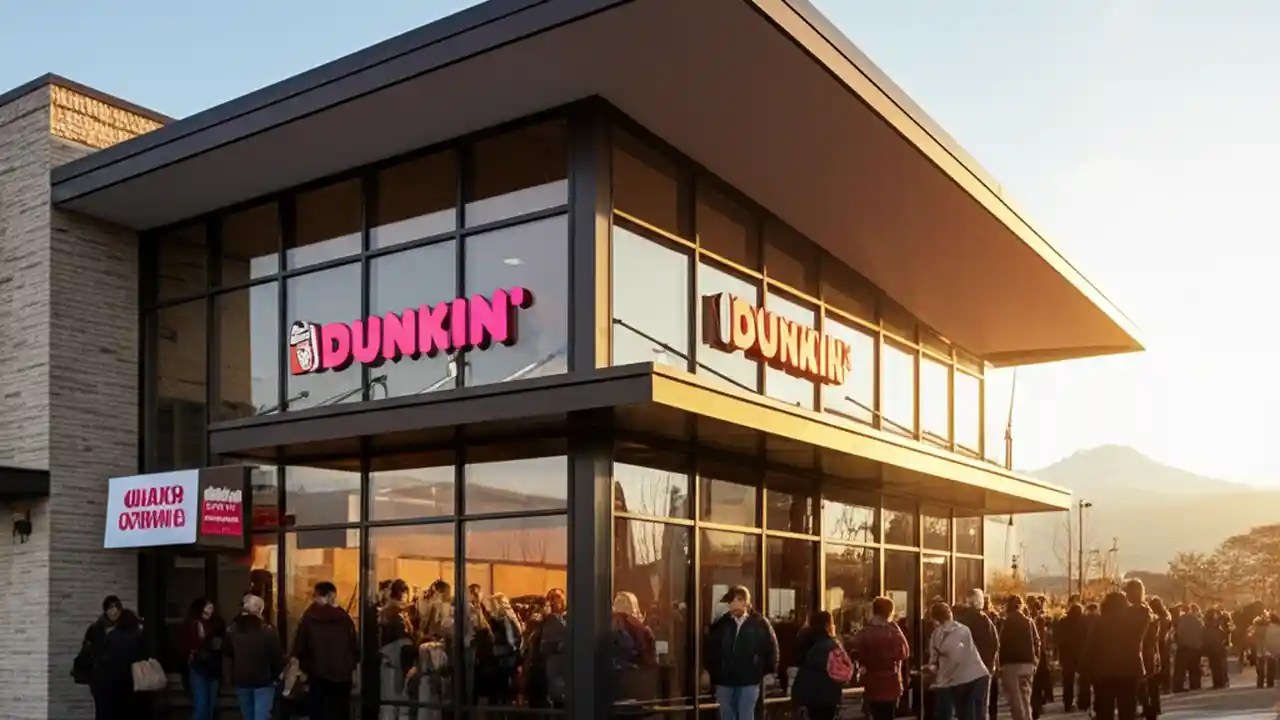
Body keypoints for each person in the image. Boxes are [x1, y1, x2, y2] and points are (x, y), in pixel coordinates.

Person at [704, 586, 777, 720]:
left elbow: (771, 648)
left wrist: (767, 672)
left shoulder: (759, 624)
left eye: (735, 600)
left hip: (749, 679)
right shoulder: (722, 624)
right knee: (726, 714)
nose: (731, 605)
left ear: (745, 602)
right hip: (724, 680)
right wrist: (710, 671)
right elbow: (712, 649)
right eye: (730, 602)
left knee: (745, 714)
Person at [293, 581, 360, 720]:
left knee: (318, 712)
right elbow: (354, 647)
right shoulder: (344, 619)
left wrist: (306, 668)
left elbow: (299, 647)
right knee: (339, 712)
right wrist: (351, 666)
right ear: (332, 596)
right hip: (342, 675)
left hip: (317, 674)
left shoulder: (308, 619)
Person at [1081, 590, 1146, 720]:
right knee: (1127, 711)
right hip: (1128, 671)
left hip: (1104, 672)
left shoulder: (1100, 623)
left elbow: (1091, 647)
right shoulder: (1133, 622)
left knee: (1104, 712)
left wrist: (1084, 670)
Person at [80, 595, 145, 720]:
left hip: (122, 680)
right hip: (104, 680)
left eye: (116, 607)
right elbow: (88, 651)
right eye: (110, 608)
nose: (114, 611)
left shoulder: (129, 628)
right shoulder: (97, 628)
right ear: (105, 610)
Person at [926, 602, 991, 720]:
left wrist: (941, 680)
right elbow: (934, 656)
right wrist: (932, 666)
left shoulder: (962, 631)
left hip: (974, 678)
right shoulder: (937, 634)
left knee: (971, 715)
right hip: (958, 680)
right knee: (963, 714)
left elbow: (956, 657)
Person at [226, 594, 285, 720]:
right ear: (259, 610)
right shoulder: (267, 630)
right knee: (261, 716)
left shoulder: (233, 630)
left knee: (248, 716)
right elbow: (276, 657)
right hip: (263, 679)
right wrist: (276, 676)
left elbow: (228, 652)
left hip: (241, 678)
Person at [852, 596, 910, 720]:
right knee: (888, 714)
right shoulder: (893, 632)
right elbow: (904, 652)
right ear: (890, 612)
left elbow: (855, 651)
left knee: (875, 713)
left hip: (871, 681)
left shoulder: (864, 633)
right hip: (891, 681)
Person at [790, 610, 849, 720]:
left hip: (805, 691)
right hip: (827, 694)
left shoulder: (804, 641)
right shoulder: (832, 645)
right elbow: (844, 671)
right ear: (828, 625)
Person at [953, 589, 999, 717]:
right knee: (979, 707)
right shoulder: (984, 620)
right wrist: (990, 666)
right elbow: (994, 643)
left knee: (963, 707)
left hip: (962, 670)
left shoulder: (958, 620)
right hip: (981, 669)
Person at [177, 597, 223, 720]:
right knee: (201, 706)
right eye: (208, 607)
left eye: (212, 607)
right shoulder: (190, 624)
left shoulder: (216, 624)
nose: (211, 610)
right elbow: (184, 646)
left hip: (213, 668)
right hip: (198, 668)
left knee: (210, 707)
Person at [998, 595, 1040, 720]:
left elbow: (1001, 643)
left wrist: (999, 664)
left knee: (1015, 701)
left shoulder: (1006, 623)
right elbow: (1037, 642)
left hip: (1011, 664)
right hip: (1028, 664)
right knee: (1025, 697)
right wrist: (1035, 661)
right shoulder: (1029, 621)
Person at [1124, 580, 1160, 720]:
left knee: (1138, 684)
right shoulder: (1148, 611)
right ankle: (1150, 708)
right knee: (1146, 684)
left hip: (1138, 652)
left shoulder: (1133, 612)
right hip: (1148, 652)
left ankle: (1146, 708)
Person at [378, 578, 415, 715]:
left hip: (392, 658)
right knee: (395, 695)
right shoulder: (394, 611)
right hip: (394, 657)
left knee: (392, 697)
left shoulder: (391, 610)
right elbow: (404, 634)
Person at [528, 588, 570, 708]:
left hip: (562, 667)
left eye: (559, 599)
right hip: (541, 666)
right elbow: (532, 639)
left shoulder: (566, 618)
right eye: (552, 599)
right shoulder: (540, 620)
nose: (555, 602)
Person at [484, 592, 524, 705]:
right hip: (510, 654)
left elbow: (509, 637)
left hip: (504, 655)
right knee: (508, 686)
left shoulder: (501, 618)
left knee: (501, 686)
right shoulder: (511, 615)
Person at [1055, 601, 1087, 713]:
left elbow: (1058, 638)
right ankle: (1083, 702)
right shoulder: (1084, 622)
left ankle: (1067, 703)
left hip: (1067, 655)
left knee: (1068, 680)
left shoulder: (1063, 622)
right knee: (1083, 679)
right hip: (1081, 654)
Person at [1173, 603, 1204, 692]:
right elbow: (1202, 634)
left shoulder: (1181, 620)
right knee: (1194, 668)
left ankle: (1178, 686)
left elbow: (1179, 633)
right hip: (1195, 647)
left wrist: (1178, 641)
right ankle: (1195, 685)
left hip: (1184, 646)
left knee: (1180, 669)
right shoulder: (1198, 621)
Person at [1150, 597, 1173, 696]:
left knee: (1156, 664)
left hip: (1157, 642)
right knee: (1165, 664)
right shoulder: (1166, 615)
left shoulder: (1155, 618)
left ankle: (1159, 685)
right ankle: (1166, 686)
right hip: (1165, 642)